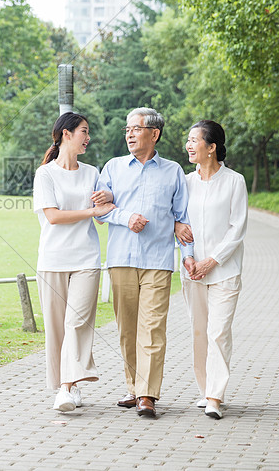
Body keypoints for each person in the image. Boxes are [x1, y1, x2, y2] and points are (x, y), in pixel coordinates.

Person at [95, 107, 193, 418]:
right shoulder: (112, 168)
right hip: (121, 258)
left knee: (152, 328)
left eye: (136, 129)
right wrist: (126, 217)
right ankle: (133, 387)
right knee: (127, 329)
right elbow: (100, 209)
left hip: (158, 260)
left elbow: (184, 218)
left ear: (154, 133)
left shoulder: (173, 171)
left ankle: (147, 394)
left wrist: (188, 255)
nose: (129, 134)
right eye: (127, 130)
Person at [33, 112, 115, 412]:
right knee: (57, 329)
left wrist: (107, 198)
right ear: (66, 134)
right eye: (84, 131)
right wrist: (91, 212)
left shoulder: (92, 173)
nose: (88, 137)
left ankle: (66, 389)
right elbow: (53, 216)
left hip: (86, 259)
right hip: (52, 260)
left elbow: (103, 215)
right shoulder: (45, 174)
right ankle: (68, 386)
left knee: (76, 323)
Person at [180, 120, 248, 420]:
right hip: (192, 270)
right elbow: (179, 223)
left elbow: (237, 229)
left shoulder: (235, 181)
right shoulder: (185, 182)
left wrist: (212, 260)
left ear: (212, 147)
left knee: (218, 333)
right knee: (199, 332)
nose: (189, 145)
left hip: (224, 271)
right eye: (188, 140)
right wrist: (189, 258)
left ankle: (215, 397)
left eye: (194, 140)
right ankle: (205, 388)